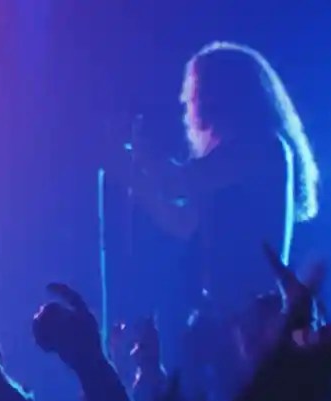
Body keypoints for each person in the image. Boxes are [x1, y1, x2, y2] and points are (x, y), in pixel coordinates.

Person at [131, 41, 319, 317]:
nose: (187, 99)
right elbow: (183, 223)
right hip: (228, 310)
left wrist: (140, 157)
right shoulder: (241, 153)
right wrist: (136, 175)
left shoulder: (259, 147)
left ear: (222, 92)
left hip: (256, 312)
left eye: (195, 88)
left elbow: (176, 183)